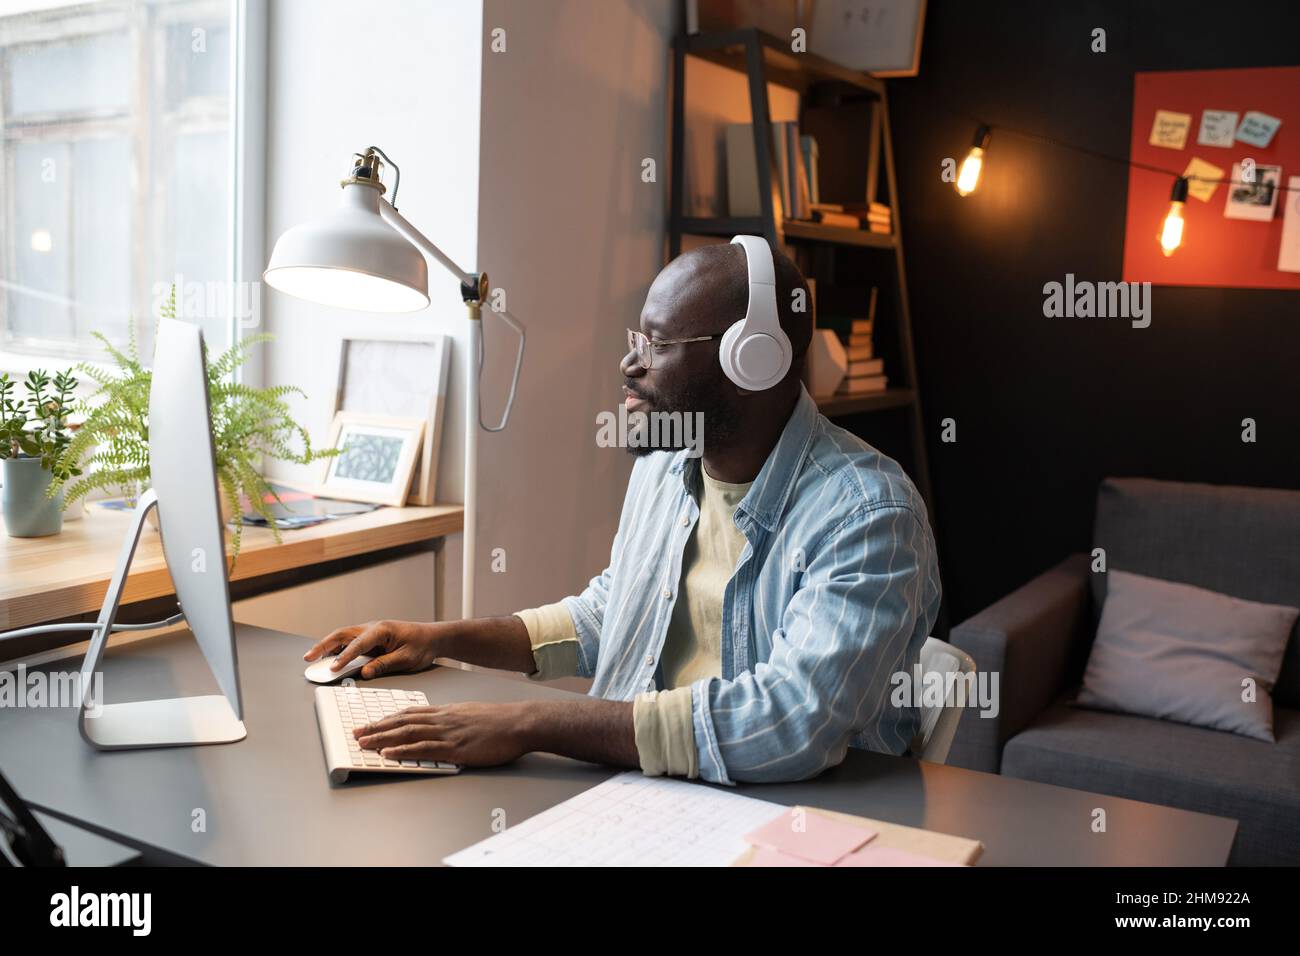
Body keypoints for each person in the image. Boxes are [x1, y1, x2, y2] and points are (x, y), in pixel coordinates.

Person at [305, 240, 941, 784]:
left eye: (658, 344)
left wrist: (533, 721)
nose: (629, 364)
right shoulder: (665, 469)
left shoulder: (867, 516)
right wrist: (441, 637)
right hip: (643, 791)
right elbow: (611, 614)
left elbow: (790, 720)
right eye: (639, 337)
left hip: (793, 818)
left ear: (752, 361)